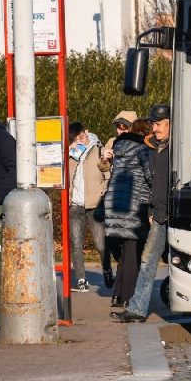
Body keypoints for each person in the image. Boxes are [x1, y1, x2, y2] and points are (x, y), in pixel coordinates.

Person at [112, 105, 170, 323]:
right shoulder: (151, 148)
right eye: (153, 124)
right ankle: (137, 309)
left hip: (177, 214)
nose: (154, 129)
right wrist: (151, 209)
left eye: (158, 124)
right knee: (147, 261)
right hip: (159, 215)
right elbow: (150, 182)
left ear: (169, 124)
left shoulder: (179, 148)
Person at [102, 116, 152, 308]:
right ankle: (128, 296)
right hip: (133, 205)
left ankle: (117, 294)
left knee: (125, 252)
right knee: (132, 252)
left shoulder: (119, 149)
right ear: (145, 133)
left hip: (115, 204)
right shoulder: (142, 150)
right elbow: (149, 177)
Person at [95, 110, 135, 286]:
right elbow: (103, 168)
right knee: (110, 239)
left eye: (124, 127)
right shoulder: (112, 142)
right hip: (113, 195)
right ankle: (121, 268)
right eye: (118, 128)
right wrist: (104, 159)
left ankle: (125, 278)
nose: (120, 131)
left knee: (128, 240)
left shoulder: (140, 143)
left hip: (131, 197)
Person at [67, 121, 108, 293]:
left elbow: (106, 172)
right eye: (76, 139)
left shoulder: (98, 149)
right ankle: (81, 279)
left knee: (100, 243)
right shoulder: (70, 153)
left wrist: (103, 194)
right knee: (76, 243)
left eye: (82, 137)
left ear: (87, 132)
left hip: (94, 204)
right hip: (75, 204)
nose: (81, 141)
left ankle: (107, 269)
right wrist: (69, 151)